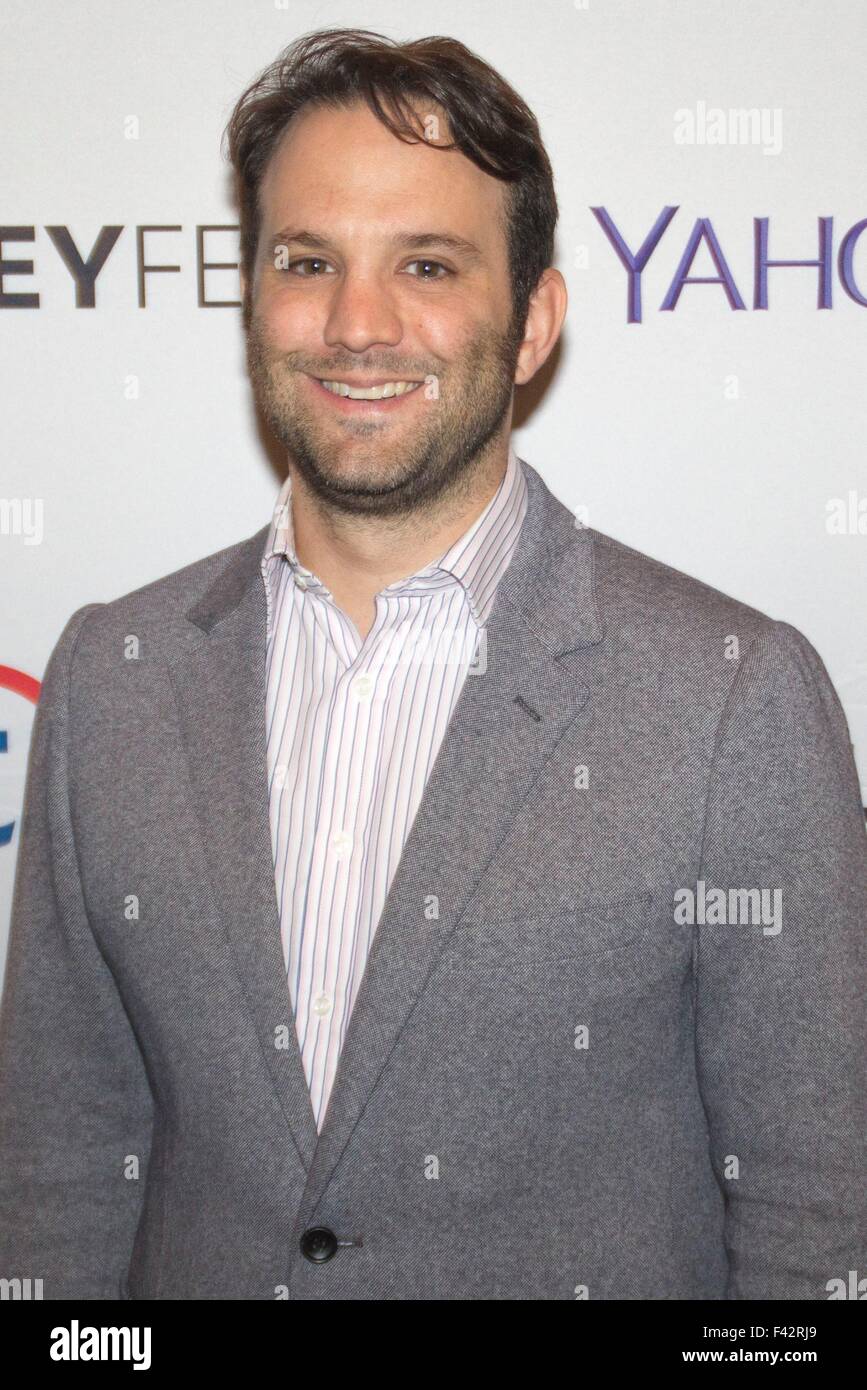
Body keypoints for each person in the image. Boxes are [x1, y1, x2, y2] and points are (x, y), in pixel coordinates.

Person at [0, 27, 864, 1301]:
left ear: (531, 324)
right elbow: (61, 1175)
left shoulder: (735, 694)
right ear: (252, 295)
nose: (357, 323)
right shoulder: (111, 677)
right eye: (307, 262)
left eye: (428, 263)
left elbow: (813, 1214)